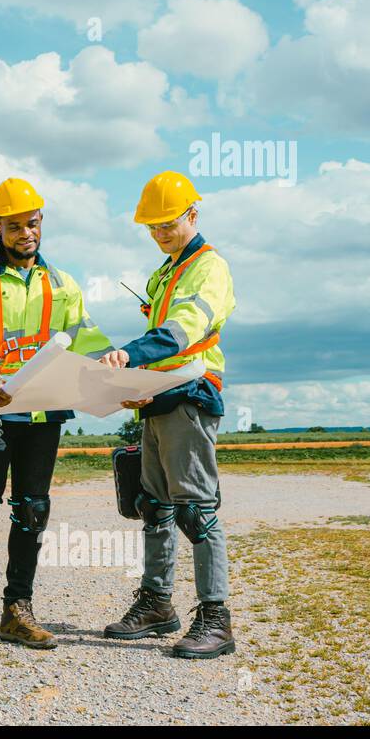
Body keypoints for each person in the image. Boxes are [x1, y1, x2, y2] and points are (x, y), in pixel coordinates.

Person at [0, 177, 114, 652]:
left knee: (32, 511)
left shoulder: (62, 283)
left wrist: (120, 370)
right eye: (15, 225)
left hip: (45, 414)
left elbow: (87, 338)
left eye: (33, 223)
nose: (26, 233)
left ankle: (17, 611)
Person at [99, 171, 237, 659]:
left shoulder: (208, 267)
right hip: (157, 398)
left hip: (190, 398)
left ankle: (216, 619)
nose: (159, 233)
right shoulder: (167, 269)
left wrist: (129, 355)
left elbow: (182, 331)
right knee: (154, 507)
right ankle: (157, 603)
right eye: (152, 227)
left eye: (167, 224)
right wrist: (135, 385)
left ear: (193, 214)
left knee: (195, 510)